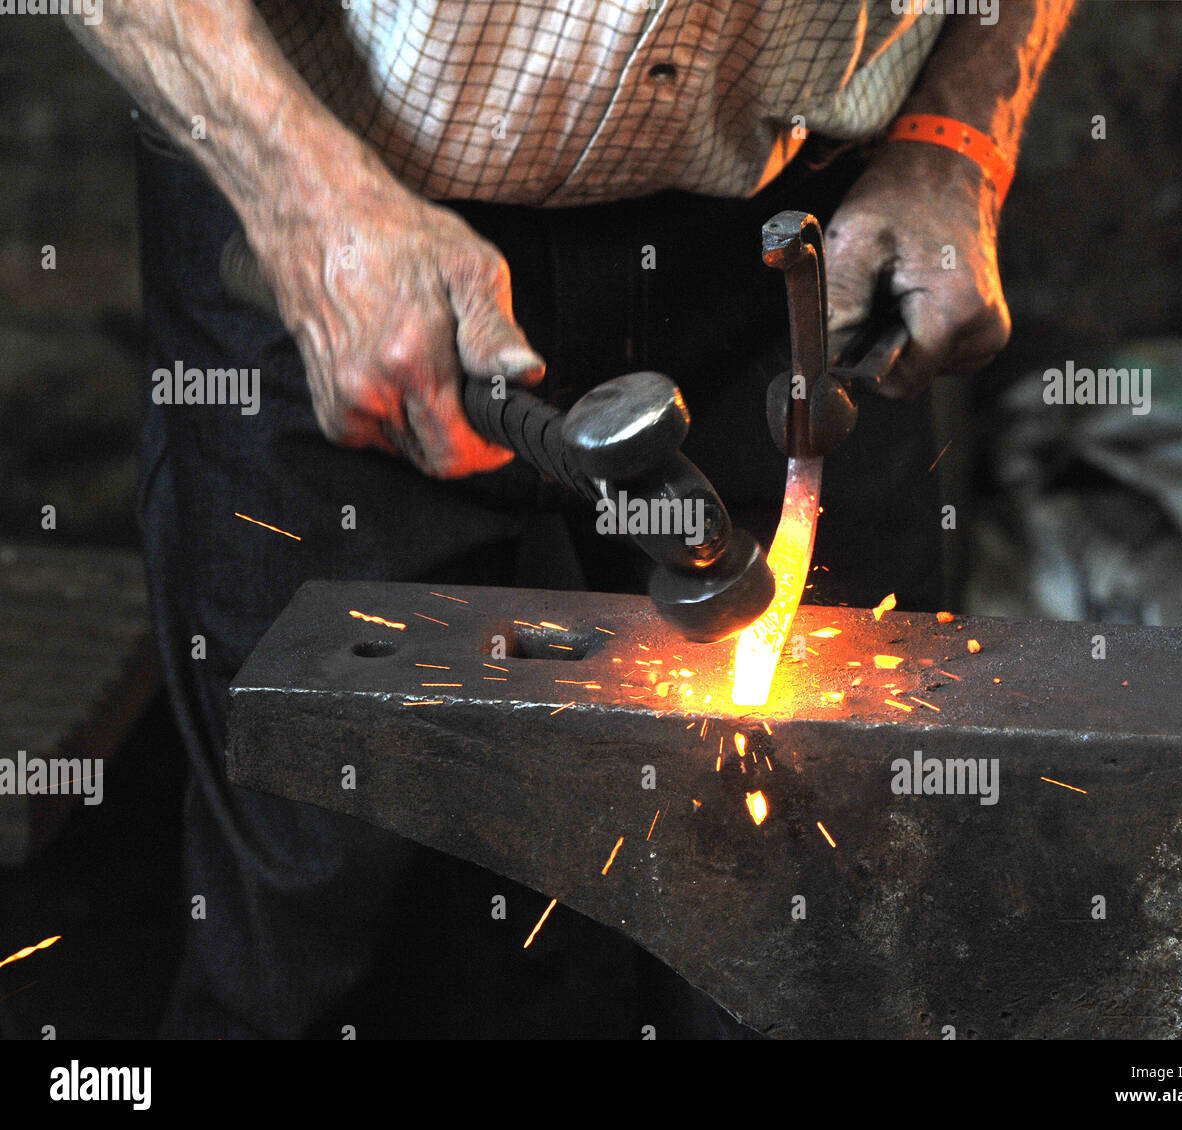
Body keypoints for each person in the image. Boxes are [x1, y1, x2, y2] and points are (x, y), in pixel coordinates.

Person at [69, 0, 1074, 1038]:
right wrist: (299, 193)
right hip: (325, 203)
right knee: (325, 904)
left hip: (809, 236)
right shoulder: (307, 199)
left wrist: (955, 139)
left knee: (823, 906)